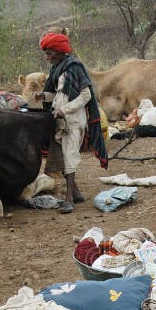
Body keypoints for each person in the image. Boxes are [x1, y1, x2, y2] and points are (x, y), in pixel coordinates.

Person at [34, 31, 107, 214]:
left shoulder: (74, 68)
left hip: (73, 121)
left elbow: (86, 95)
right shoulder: (57, 69)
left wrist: (64, 110)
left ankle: (69, 200)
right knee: (64, 155)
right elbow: (60, 95)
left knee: (69, 157)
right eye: (46, 53)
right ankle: (76, 193)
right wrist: (44, 95)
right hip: (61, 121)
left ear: (59, 51)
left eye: (49, 53)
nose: (47, 57)